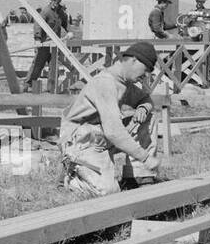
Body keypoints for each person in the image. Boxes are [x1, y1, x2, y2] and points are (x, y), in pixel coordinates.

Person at [59, 41, 161, 197]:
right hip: (82, 142)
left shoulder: (123, 82)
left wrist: (143, 107)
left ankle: (138, 177)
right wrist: (145, 157)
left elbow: (146, 100)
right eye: (146, 69)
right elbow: (114, 132)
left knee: (149, 116)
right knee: (107, 192)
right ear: (134, 60)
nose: (146, 75)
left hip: (101, 137)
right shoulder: (105, 83)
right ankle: (73, 176)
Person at [25, 0, 71, 90]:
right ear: (50, 0)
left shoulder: (60, 12)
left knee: (53, 67)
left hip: (55, 45)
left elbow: (65, 23)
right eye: (54, 0)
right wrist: (37, 39)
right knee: (37, 65)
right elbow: (38, 25)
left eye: (58, 1)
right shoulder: (45, 11)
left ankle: (51, 88)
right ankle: (28, 84)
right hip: (45, 44)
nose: (56, 3)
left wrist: (69, 31)